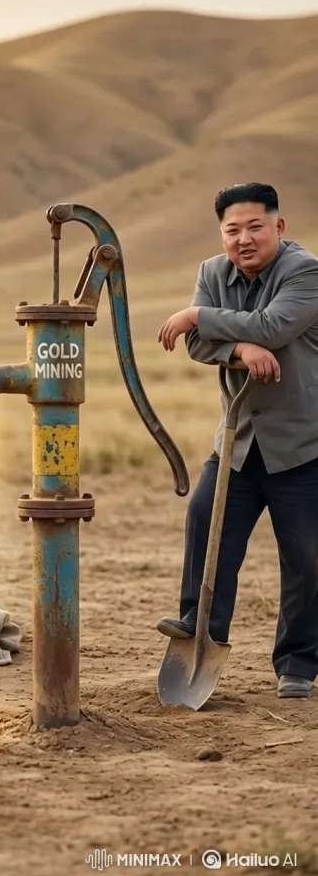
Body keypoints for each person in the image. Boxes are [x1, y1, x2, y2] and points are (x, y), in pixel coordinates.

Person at [156, 182, 318, 699]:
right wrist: (242, 346)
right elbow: (201, 347)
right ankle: (200, 630)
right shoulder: (212, 272)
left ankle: (297, 664)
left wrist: (197, 315)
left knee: (306, 558)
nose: (244, 239)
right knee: (206, 525)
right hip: (239, 440)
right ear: (221, 233)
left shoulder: (306, 272)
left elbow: (273, 325)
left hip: (303, 443)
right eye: (232, 230)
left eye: (255, 227)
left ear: (278, 227)